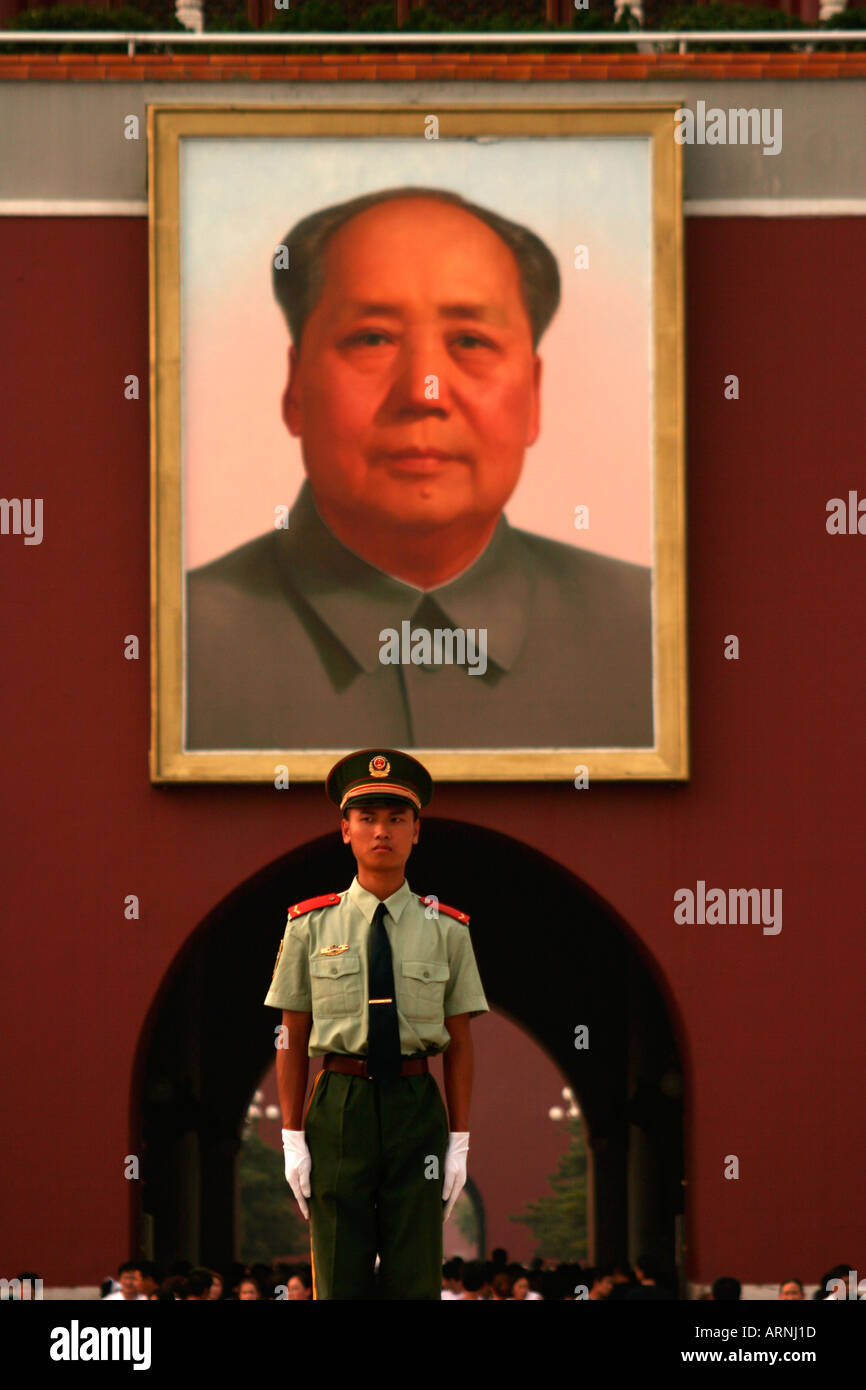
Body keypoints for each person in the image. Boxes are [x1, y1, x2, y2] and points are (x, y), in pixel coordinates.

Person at [187, 186, 653, 752]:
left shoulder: (653, 636)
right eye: (372, 339)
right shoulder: (177, 645)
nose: (422, 391)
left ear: (532, 396)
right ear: (294, 389)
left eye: (470, 341)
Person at [264, 747, 489, 1300]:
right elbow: (291, 1036)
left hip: (417, 1100)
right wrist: (292, 1134)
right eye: (367, 818)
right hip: (340, 1102)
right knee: (339, 1266)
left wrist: (459, 1138)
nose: (381, 831)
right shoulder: (309, 926)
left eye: (396, 819)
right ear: (345, 830)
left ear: (417, 831)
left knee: (415, 1273)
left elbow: (460, 1043)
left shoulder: (449, 930)